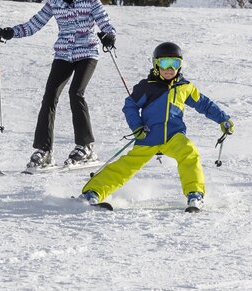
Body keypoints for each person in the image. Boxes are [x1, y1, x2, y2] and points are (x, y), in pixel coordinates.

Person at [78, 42, 234, 210]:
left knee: (190, 153)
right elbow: (130, 106)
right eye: (165, 63)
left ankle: (195, 195)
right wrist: (137, 127)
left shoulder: (184, 87)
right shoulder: (147, 86)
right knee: (126, 166)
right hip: (148, 136)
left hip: (173, 137)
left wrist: (223, 119)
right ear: (156, 65)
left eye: (175, 63)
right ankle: (93, 192)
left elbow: (204, 105)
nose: (170, 69)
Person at [0, 0, 116, 169]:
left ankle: (86, 147)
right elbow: (34, 24)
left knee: (76, 93)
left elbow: (104, 21)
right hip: (64, 54)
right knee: (49, 97)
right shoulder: (55, 1)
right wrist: (9, 32)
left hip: (87, 52)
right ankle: (44, 151)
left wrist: (109, 35)